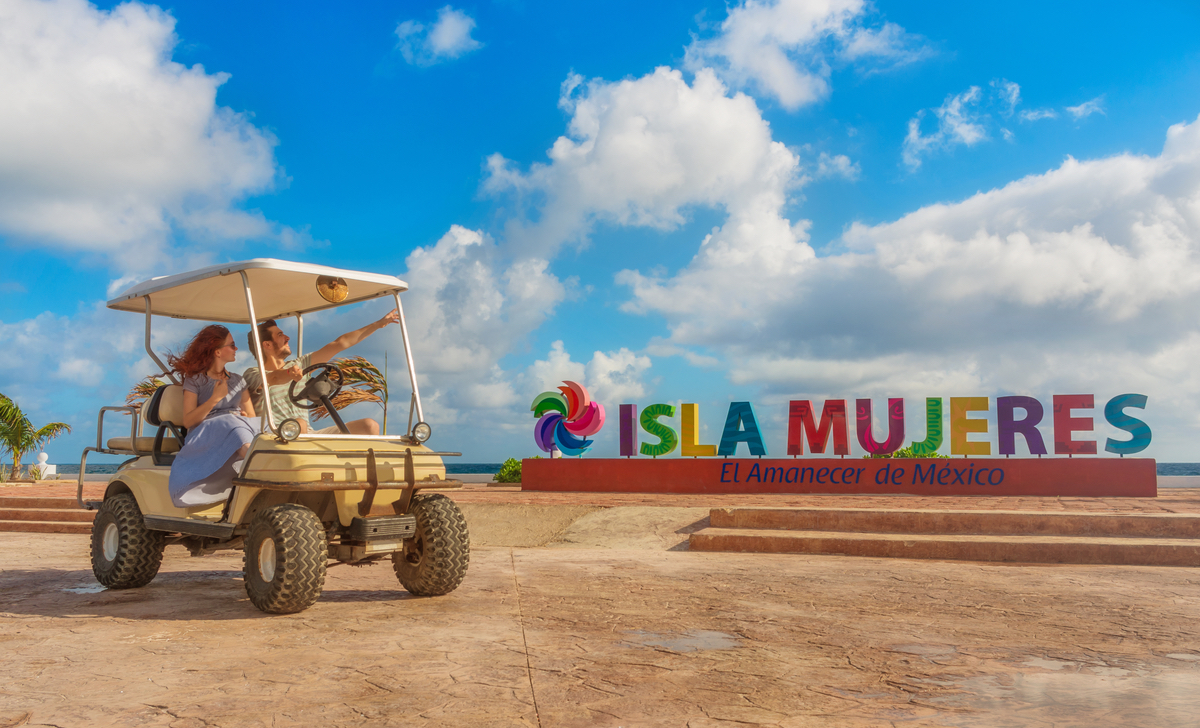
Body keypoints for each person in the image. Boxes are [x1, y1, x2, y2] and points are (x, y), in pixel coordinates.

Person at [243, 310, 399, 435]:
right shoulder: (252, 373)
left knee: (369, 426)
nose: (287, 337)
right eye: (280, 335)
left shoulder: (300, 364)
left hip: (308, 434)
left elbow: (340, 343)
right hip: (276, 437)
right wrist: (290, 373)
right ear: (267, 344)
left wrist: (378, 324)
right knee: (300, 423)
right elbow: (274, 377)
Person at [167, 326, 260, 508]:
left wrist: (243, 415)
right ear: (218, 351)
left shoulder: (238, 380)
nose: (236, 349)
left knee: (269, 425)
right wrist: (214, 399)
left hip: (234, 428)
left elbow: (251, 416)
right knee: (229, 421)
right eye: (232, 345)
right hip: (205, 433)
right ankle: (258, 472)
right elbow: (188, 421)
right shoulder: (195, 380)